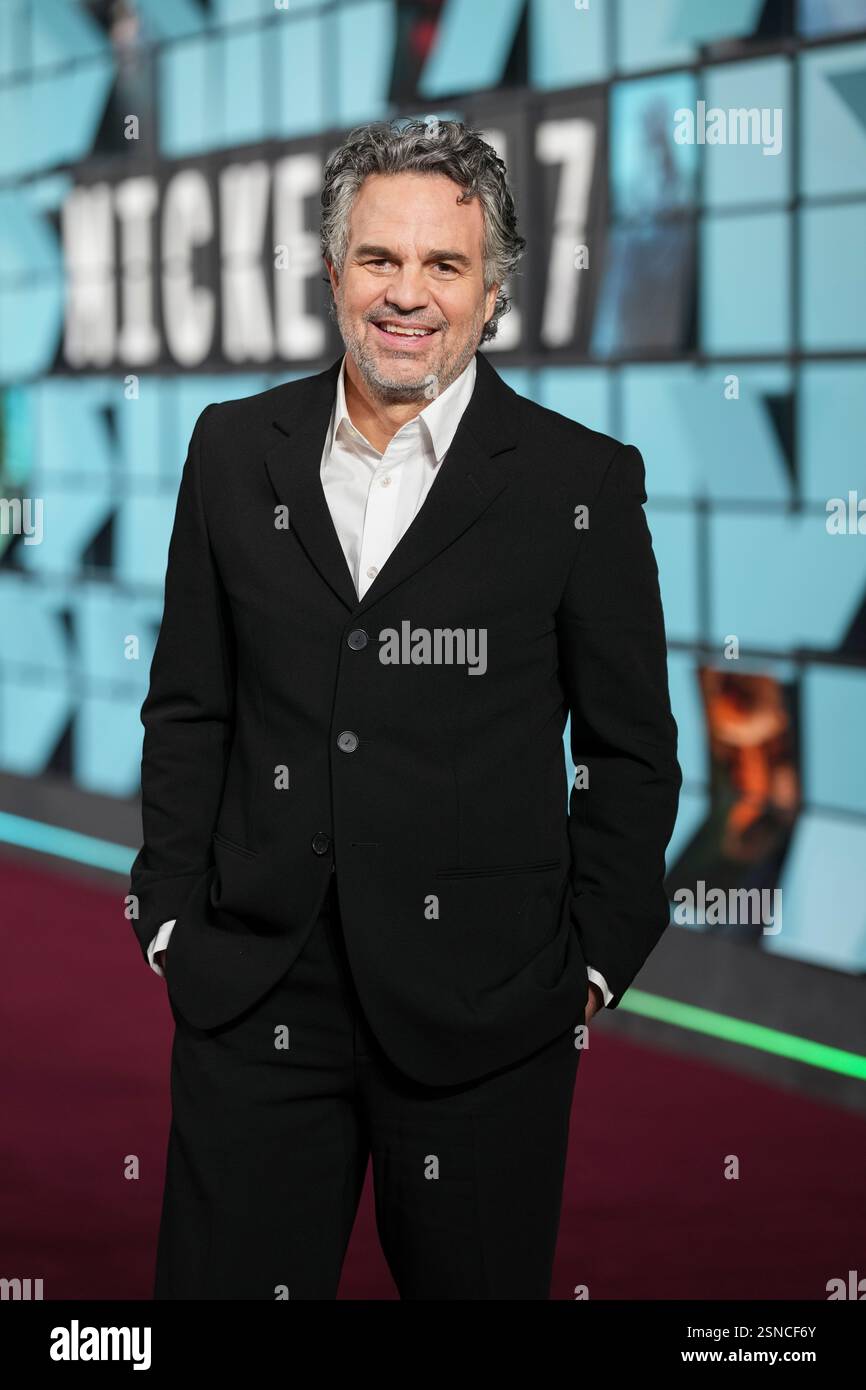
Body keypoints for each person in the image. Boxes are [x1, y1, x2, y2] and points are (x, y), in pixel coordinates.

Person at [129, 117, 682, 1300]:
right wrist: (171, 916)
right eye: (379, 259)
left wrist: (587, 970)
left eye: (444, 266)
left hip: (488, 1016)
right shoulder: (234, 451)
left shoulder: (577, 482)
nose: (407, 296)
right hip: (257, 993)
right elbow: (189, 704)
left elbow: (631, 753)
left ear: (493, 295)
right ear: (332, 274)